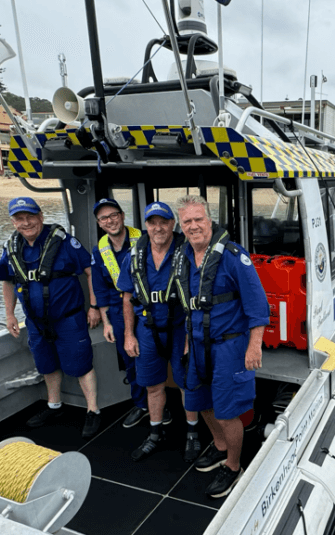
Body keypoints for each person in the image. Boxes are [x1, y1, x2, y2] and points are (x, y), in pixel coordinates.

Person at [173, 194, 269, 499]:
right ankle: (220, 445)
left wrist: (254, 346)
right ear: (181, 225)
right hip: (198, 345)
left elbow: (258, 305)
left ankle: (233, 464)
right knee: (198, 402)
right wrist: (188, 342)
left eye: (198, 219)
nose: (193, 226)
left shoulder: (232, 256)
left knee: (228, 412)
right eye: (187, 221)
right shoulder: (184, 256)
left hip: (230, 347)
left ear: (209, 220)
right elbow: (191, 307)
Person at [0, 196, 103, 438]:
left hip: (69, 317)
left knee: (81, 364)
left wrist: (94, 305)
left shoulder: (64, 243)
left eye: (30, 216)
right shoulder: (11, 247)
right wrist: (10, 314)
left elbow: (90, 271)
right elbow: (7, 280)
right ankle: (54, 406)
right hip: (35, 321)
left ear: (41, 216)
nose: (26, 222)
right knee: (46, 364)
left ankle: (93, 410)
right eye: (19, 218)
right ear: (13, 222)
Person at [118, 202, 199, 463]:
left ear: (172, 225)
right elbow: (127, 295)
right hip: (147, 329)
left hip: (179, 329)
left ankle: (192, 433)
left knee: (187, 384)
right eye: (152, 223)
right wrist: (129, 335)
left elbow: (197, 295)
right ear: (146, 226)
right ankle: (155, 433)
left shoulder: (187, 252)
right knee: (152, 385)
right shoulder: (135, 255)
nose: (158, 228)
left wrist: (190, 337)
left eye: (163, 222)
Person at [88, 197, 155, 429]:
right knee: (130, 359)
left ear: (123, 216)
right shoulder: (100, 250)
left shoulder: (145, 238)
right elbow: (100, 289)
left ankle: (160, 402)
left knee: (154, 356)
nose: (110, 221)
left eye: (114, 215)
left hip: (149, 307)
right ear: (99, 223)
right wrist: (106, 322)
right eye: (104, 218)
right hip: (117, 310)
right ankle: (142, 404)